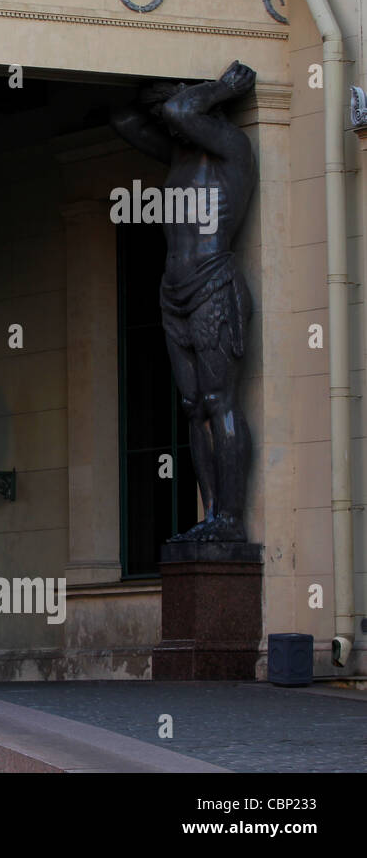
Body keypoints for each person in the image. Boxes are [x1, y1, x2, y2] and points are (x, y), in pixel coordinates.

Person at [110, 61, 257, 541]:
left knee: (219, 400)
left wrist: (214, 90)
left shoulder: (231, 148)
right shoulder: (179, 156)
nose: (165, 117)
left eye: (170, 107)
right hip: (173, 292)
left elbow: (177, 107)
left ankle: (231, 520)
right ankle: (210, 513)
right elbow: (124, 120)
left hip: (214, 283)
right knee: (193, 405)